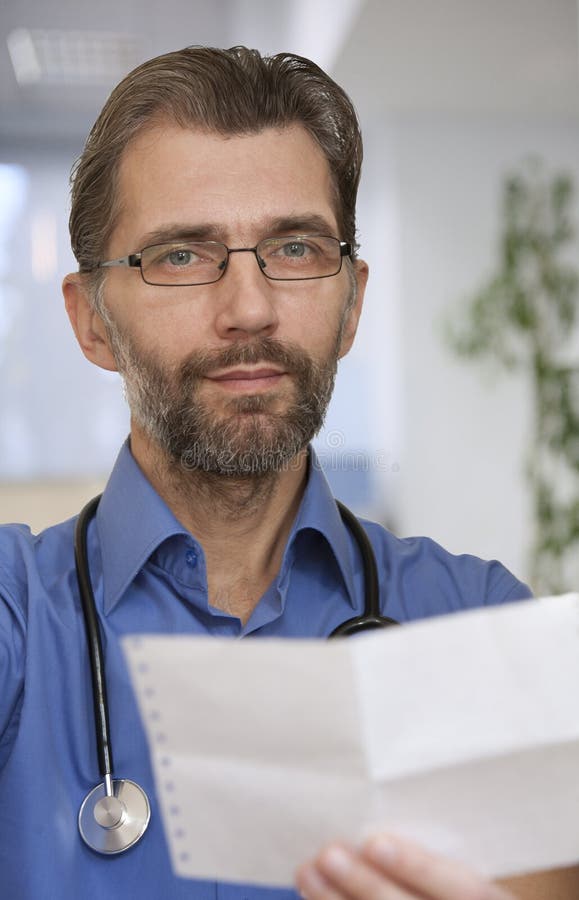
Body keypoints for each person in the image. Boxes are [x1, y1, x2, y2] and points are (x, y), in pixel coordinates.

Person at [0, 44, 572, 900]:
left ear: (350, 301)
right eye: (182, 256)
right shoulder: (16, 625)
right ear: (91, 325)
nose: (250, 309)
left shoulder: (476, 627)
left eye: (296, 247)